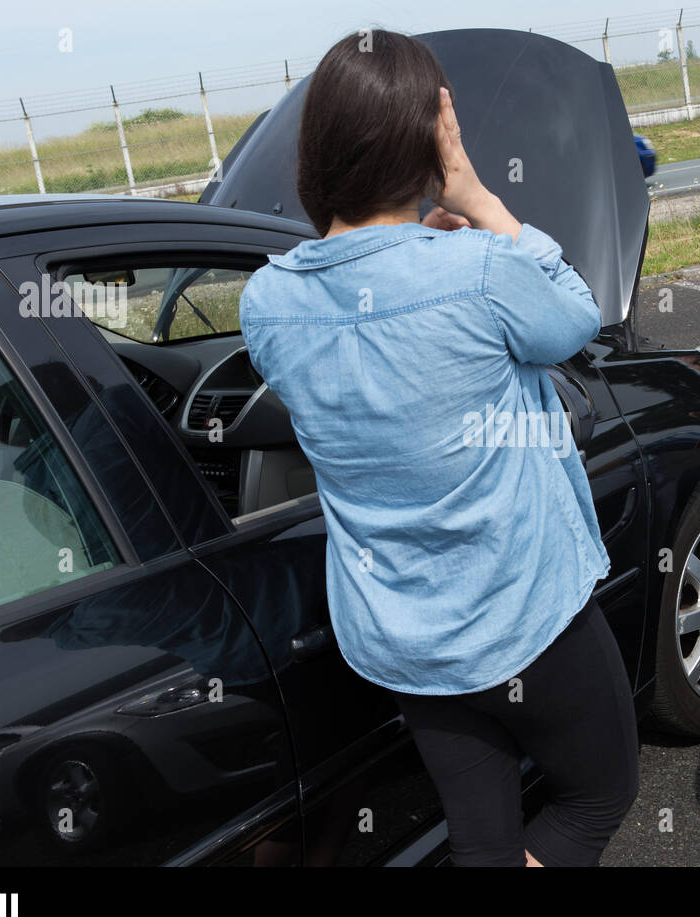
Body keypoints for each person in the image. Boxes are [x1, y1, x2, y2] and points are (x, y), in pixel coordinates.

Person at [236, 29, 638, 867]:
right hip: (529, 619)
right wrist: (481, 205)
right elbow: (575, 317)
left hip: (404, 639)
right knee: (599, 795)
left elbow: (357, 314)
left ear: (317, 149)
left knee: (480, 838)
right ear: (432, 142)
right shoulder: (479, 271)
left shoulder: (267, 303)